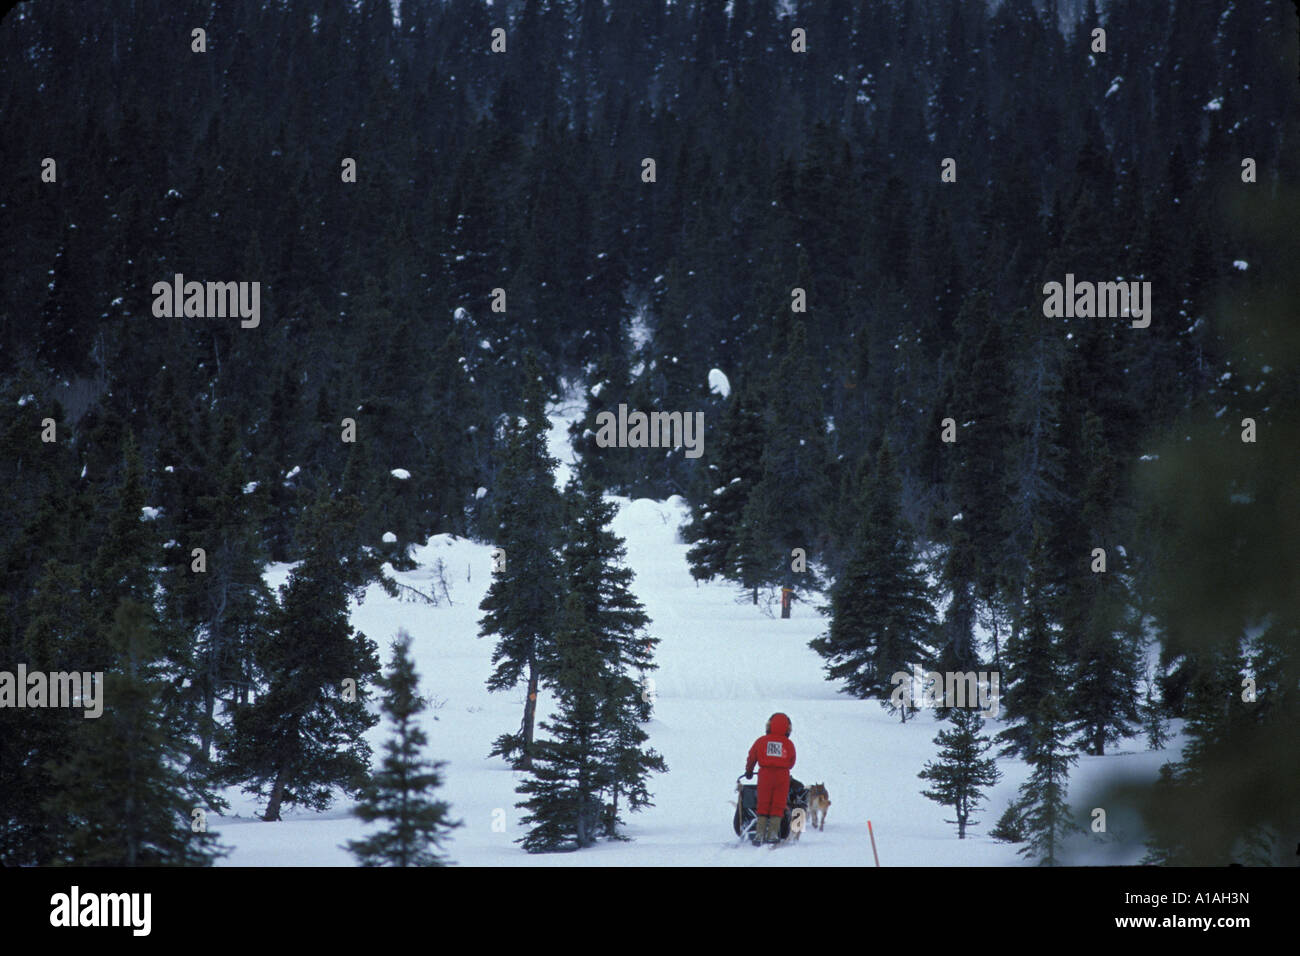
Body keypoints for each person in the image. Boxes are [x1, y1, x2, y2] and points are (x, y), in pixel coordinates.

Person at [744, 712, 796, 844]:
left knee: (763, 804)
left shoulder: (761, 741)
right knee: (778, 805)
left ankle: (759, 835)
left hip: (765, 775)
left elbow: (752, 757)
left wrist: (749, 771)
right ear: (788, 728)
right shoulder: (789, 744)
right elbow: (791, 762)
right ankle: (773, 834)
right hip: (782, 776)